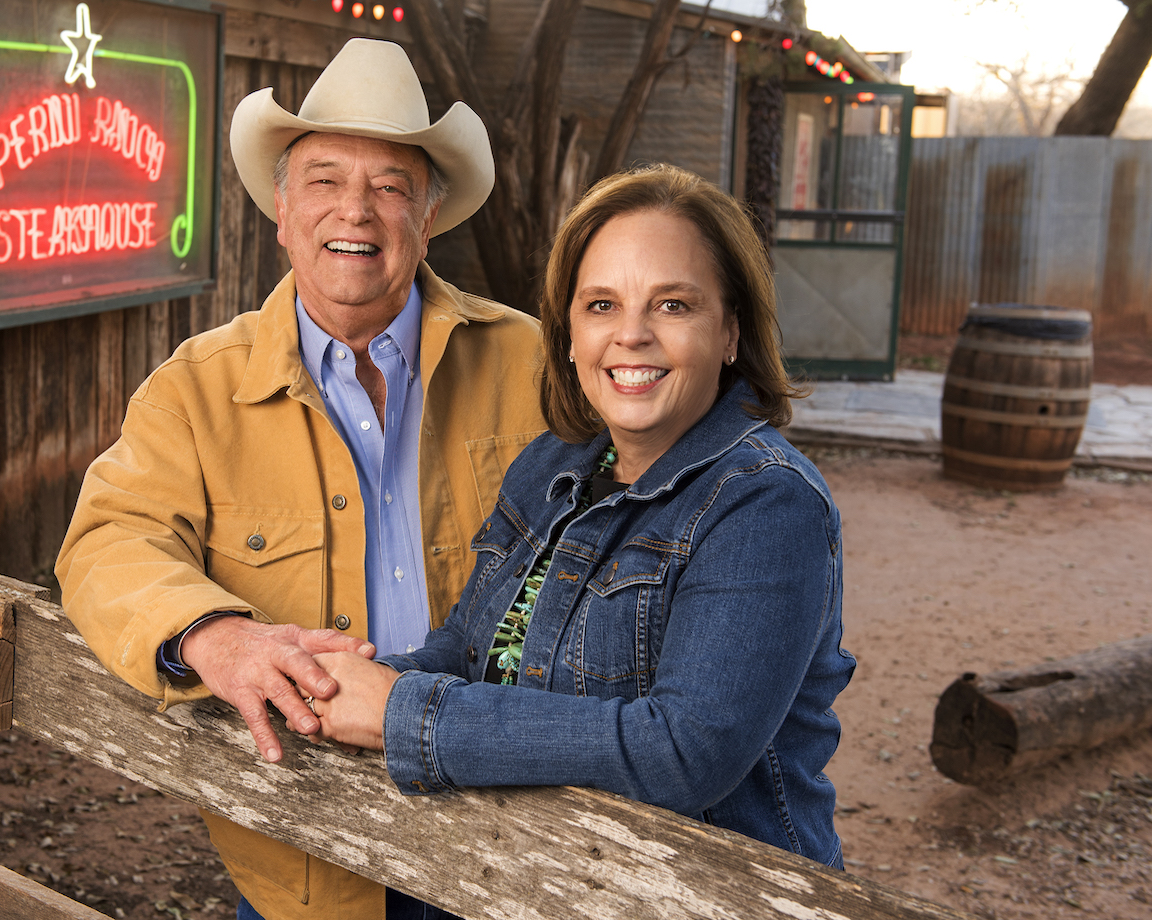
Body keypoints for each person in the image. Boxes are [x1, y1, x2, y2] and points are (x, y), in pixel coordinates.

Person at [55, 38, 545, 920]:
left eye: (392, 185)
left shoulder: (534, 360)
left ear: (426, 217)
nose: (355, 210)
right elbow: (108, 540)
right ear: (281, 212)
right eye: (324, 179)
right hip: (304, 865)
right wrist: (214, 635)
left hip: (509, 843)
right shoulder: (196, 387)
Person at [307, 164, 857, 868]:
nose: (631, 335)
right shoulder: (552, 464)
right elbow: (474, 651)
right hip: (552, 879)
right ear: (567, 333)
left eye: (673, 305)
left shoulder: (765, 504)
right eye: (601, 305)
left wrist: (404, 713)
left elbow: (684, 753)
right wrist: (337, 683)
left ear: (729, 333)